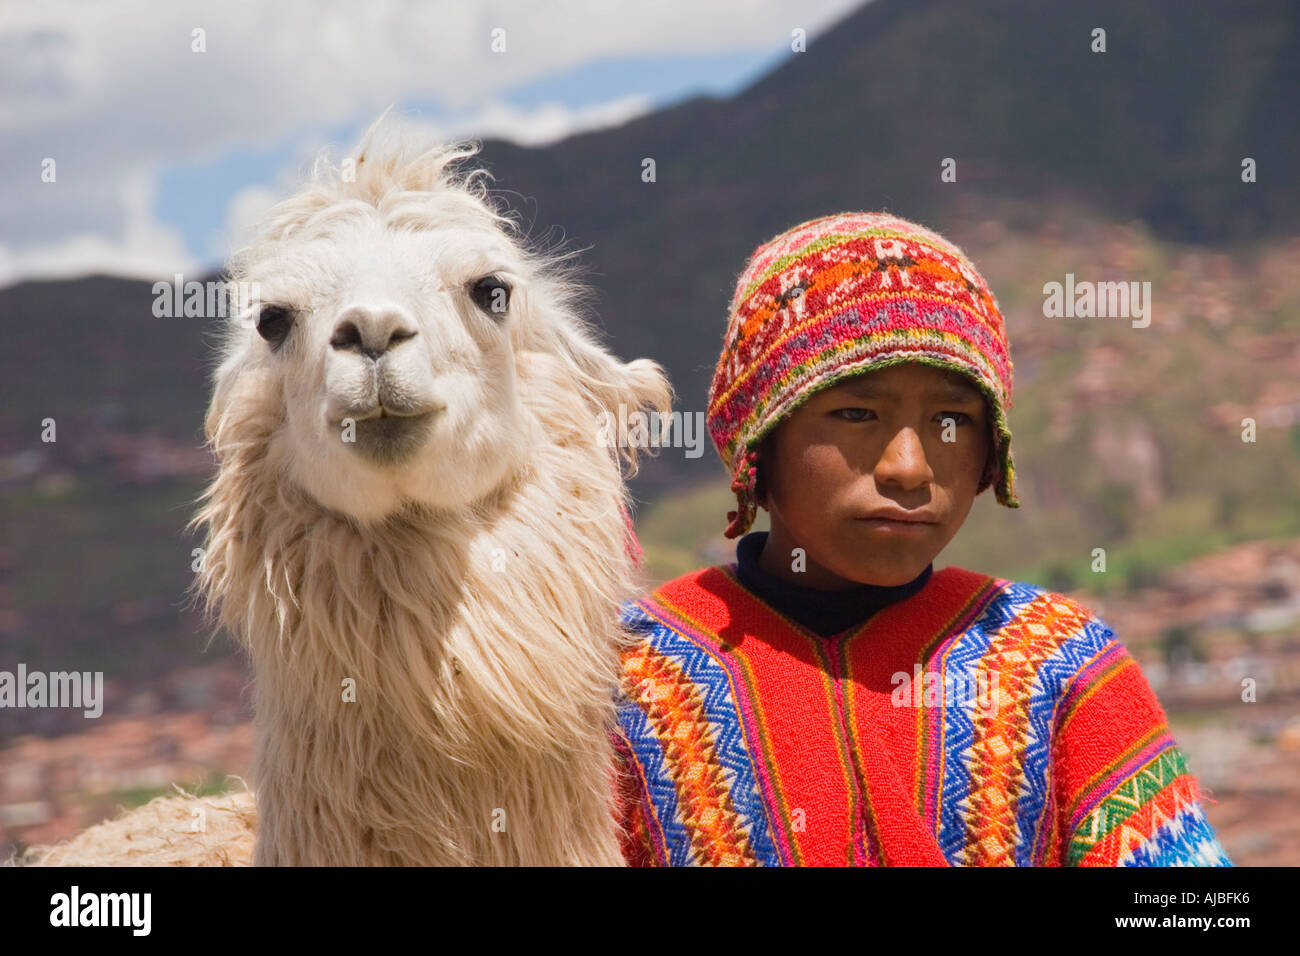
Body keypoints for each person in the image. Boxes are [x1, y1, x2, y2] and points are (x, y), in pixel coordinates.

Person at [611, 212, 1233, 866]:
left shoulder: (1058, 665)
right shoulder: (628, 683)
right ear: (760, 444)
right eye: (856, 413)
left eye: (951, 419)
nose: (909, 467)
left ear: (991, 450)